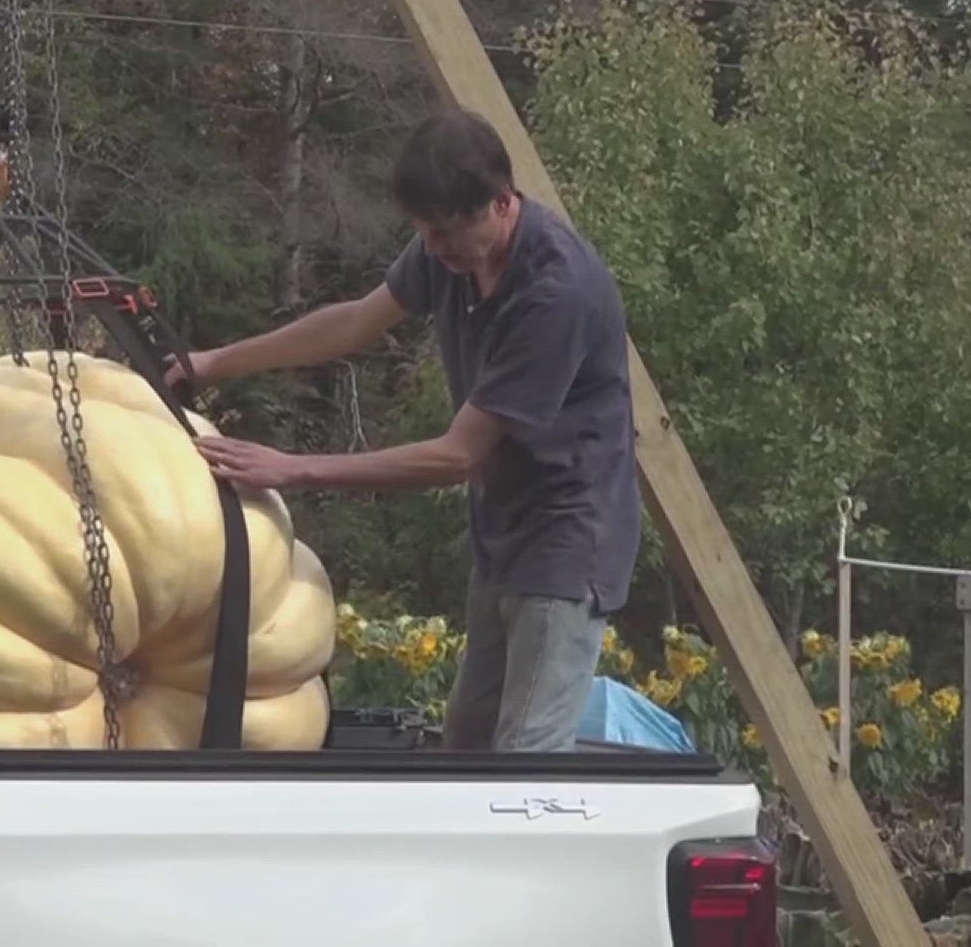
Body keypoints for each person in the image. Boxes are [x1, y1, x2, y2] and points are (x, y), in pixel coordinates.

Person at [167, 108, 641, 753]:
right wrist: (215, 362)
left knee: (526, 762)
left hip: (568, 538)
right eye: (425, 232)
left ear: (502, 203)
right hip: (504, 530)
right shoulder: (447, 255)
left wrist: (293, 467)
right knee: (466, 750)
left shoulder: (556, 294)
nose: (437, 248)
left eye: (449, 231)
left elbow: (457, 455)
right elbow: (355, 323)